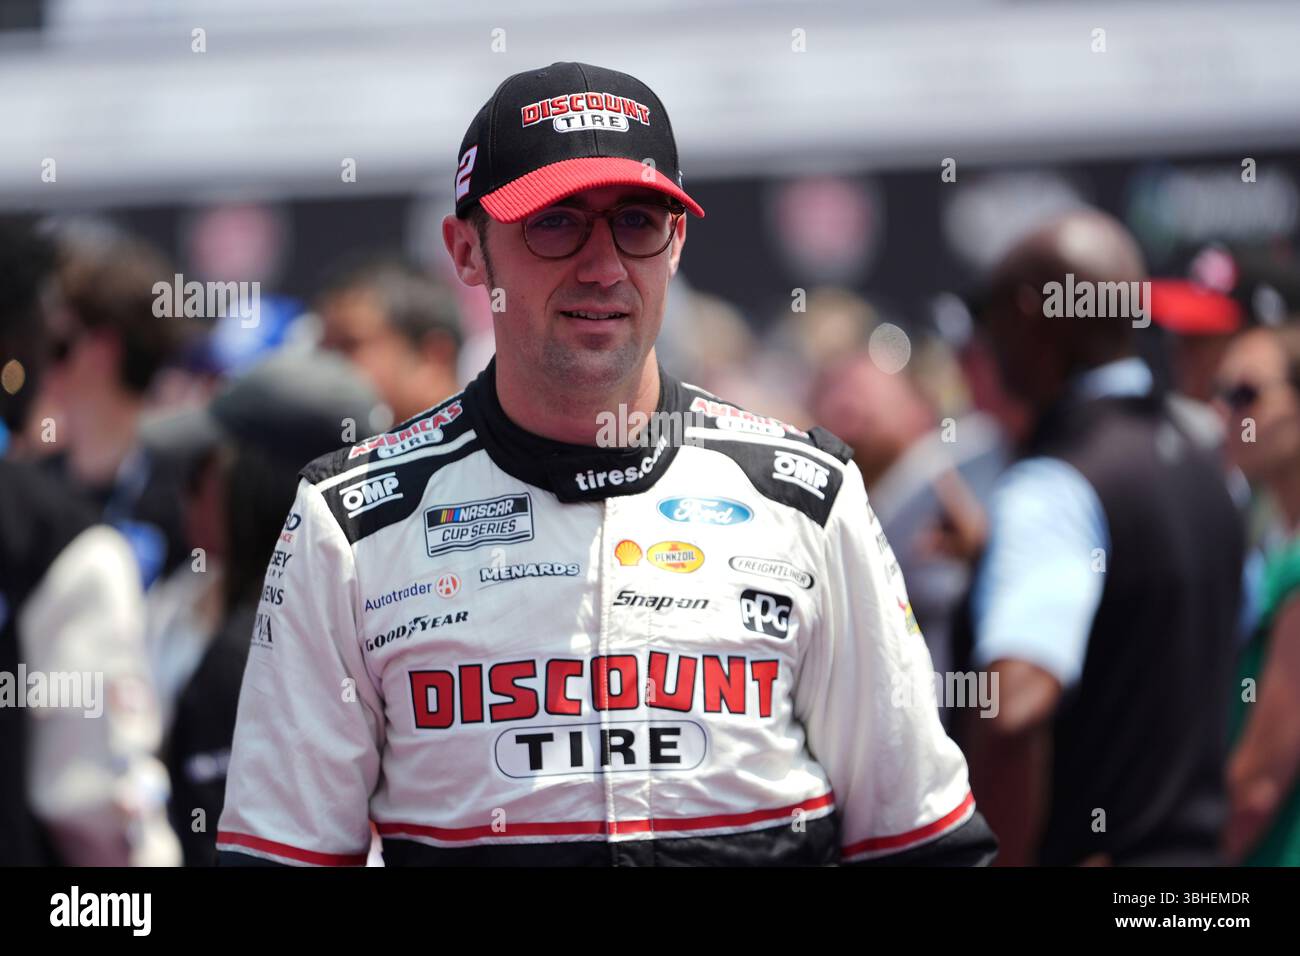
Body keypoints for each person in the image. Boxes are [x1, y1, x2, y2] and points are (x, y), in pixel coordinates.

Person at [217, 61, 996, 866]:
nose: (603, 266)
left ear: (678, 242)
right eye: (555, 222)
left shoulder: (803, 496)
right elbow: (282, 856)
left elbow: (923, 844)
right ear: (467, 251)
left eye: (636, 220)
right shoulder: (353, 521)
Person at [958, 211, 1245, 865]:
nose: (988, 346)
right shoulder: (1209, 466)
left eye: (993, 319)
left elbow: (1014, 706)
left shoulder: (1052, 486)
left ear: (1030, 317)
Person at [0, 218, 179, 866]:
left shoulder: (189, 491)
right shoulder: (45, 520)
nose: (45, 365)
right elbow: (89, 806)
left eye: (60, 343)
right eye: (44, 340)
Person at [1216, 323, 1300, 866]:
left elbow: (1256, 788)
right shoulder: (1275, 545)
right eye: (1219, 395)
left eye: (1245, 396)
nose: (1223, 415)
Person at [316, 255, 464, 423]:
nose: (326, 363)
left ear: (434, 356)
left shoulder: (492, 444)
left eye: (349, 345)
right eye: (324, 348)